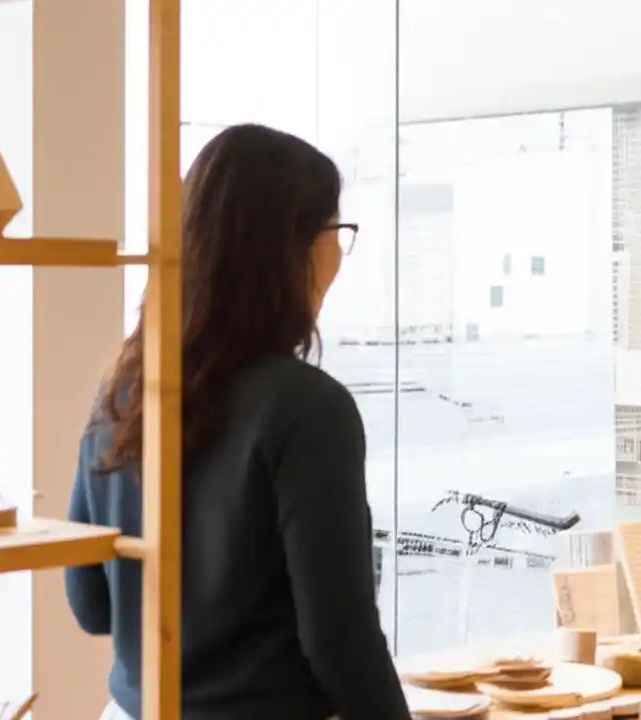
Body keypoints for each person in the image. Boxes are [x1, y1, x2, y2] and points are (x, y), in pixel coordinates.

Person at [65, 124, 411, 720]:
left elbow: (92, 605)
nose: (338, 257)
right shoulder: (307, 409)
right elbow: (341, 641)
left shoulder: (124, 390)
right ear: (293, 248)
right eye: (336, 232)